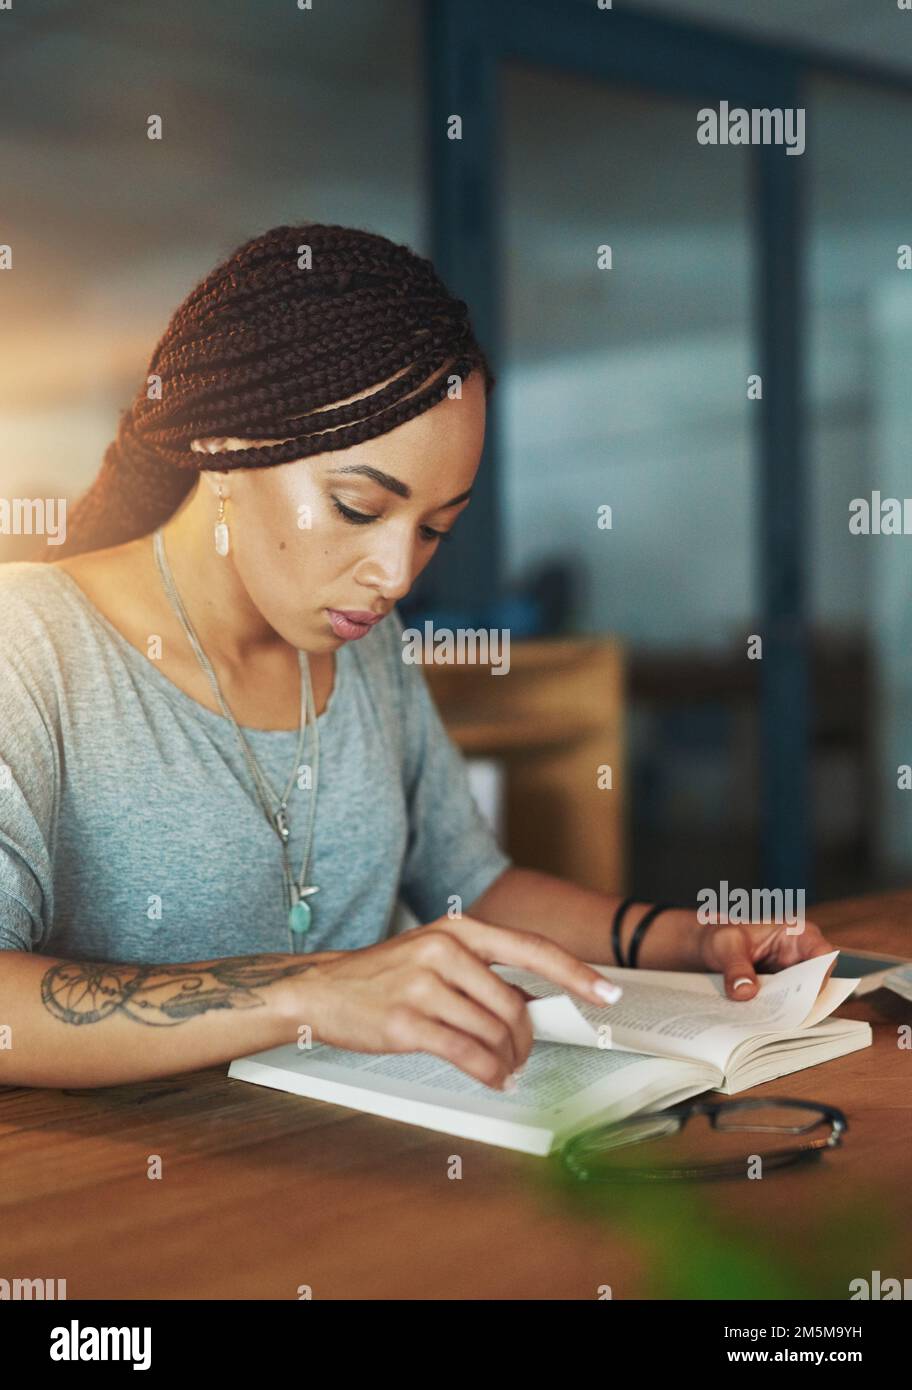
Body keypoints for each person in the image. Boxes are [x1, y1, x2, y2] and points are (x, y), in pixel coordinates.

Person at [0, 222, 834, 1094]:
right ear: (224, 445)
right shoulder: (30, 645)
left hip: (366, 1167)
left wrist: (691, 941)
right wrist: (310, 993)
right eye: (359, 508)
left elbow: (469, 882)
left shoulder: (363, 645)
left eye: (435, 527)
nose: (395, 574)